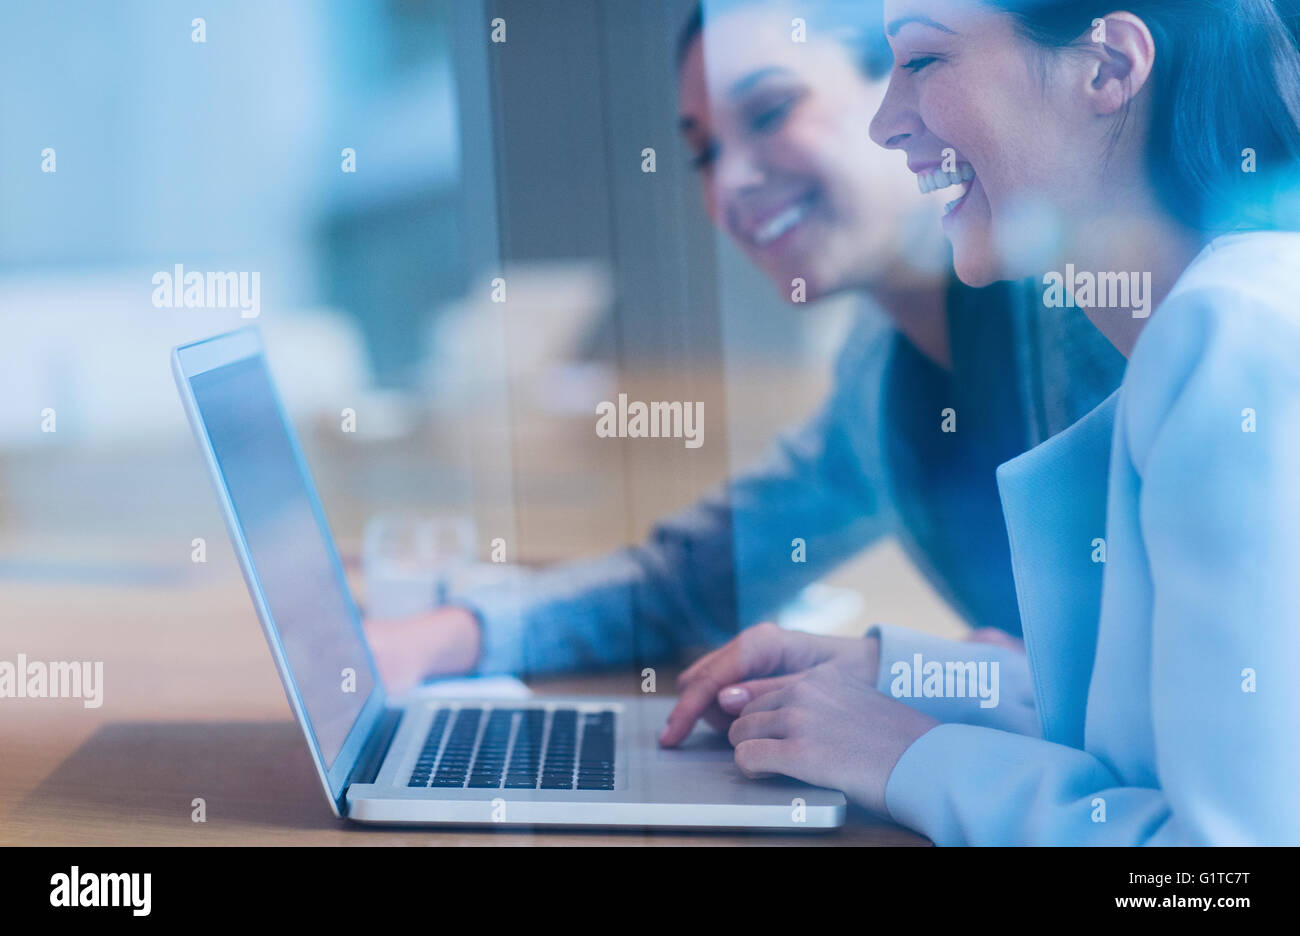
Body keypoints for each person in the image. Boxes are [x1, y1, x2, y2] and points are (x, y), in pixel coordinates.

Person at [363, 0, 1125, 737]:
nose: (725, 186)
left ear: (907, 92)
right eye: (703, 152)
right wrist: (439, 638)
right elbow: (688, 583)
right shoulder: (881, 375)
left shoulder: (1099, 315)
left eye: (769, 113)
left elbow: (1166, 694)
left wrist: (935, 676)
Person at [681, 0, 1300, 845]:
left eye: (925, 62)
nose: (886, 125)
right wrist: (904, 675)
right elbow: (1177, 725)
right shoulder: (1216, 322)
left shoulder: (1233, 336)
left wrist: (909, 754)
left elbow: (1215, 875)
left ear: (1109, 67)